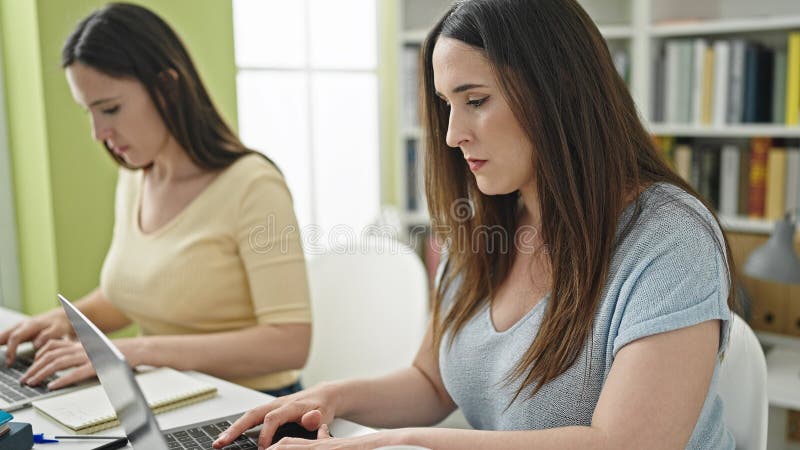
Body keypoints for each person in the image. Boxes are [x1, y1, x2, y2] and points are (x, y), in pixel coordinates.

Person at [214, 0, 739, 448]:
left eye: (476, 101)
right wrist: (331, 397)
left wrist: (394, 441)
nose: (452, 134)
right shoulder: (484, 226)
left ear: (559, 92)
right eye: (446, 105)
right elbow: (432, 382)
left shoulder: (671, 238)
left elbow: (623, 444)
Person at [0, 2, 312, 398]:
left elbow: (288, 343)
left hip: (254, 406)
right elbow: (137, 293)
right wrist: (63, 321)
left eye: (110, 108)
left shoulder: (254, 187)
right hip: (172, 396)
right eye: (89, 112)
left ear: (167, 88)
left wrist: (136, 350)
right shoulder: (136, 177)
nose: (98, 132)